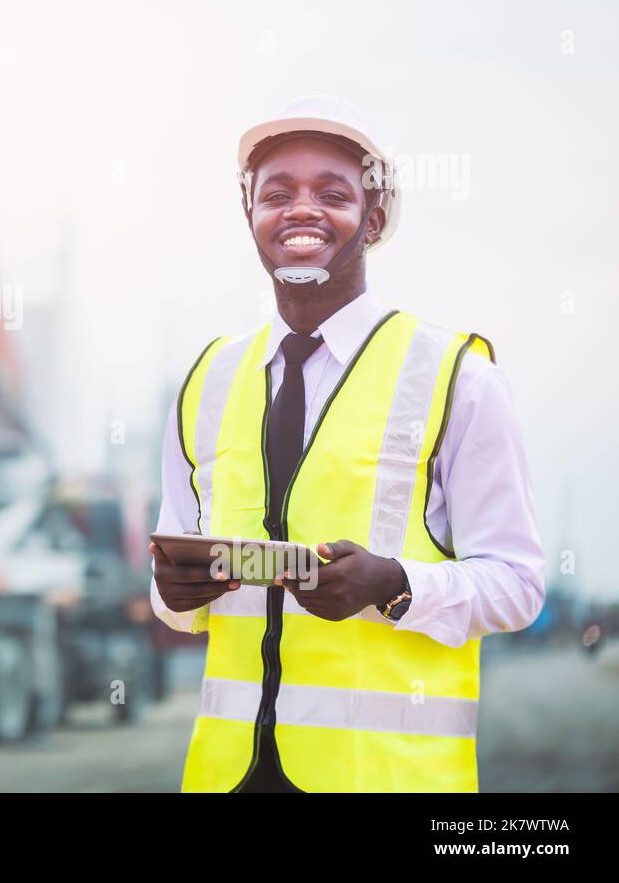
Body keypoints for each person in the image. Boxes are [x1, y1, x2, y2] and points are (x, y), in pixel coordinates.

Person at [150, 96, 545, 793]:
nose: (301, 210)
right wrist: (172, 593)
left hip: (384, 777)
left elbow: (518, 584)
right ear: (250, 214)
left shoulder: (459, 378)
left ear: (375, 219)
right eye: (277, 194)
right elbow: (170, 593)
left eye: (333, 194)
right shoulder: (207, 380)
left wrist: (395, 585)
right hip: (226, 776)